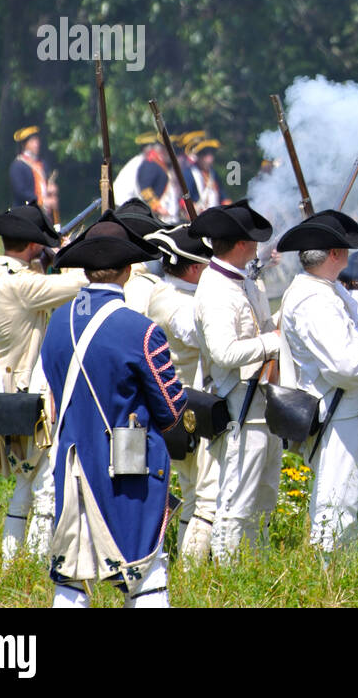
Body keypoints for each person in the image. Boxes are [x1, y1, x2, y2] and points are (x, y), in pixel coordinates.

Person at [38, 217, 187, 607]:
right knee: (146, 575)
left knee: (71, 577)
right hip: (126, 469)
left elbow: (58, 398)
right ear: (129, 269)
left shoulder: (56, 323)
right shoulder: (141, 330)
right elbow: (171, 411)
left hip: (70, 464)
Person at [276, 210, 358, 551]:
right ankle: (330, 584)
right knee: (338, 503)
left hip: (352, 410)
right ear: (335, 254)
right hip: (337, 411)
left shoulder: (326, 289)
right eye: (344, 248)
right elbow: (345, 364)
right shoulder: (313, 299)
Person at [0, 204, 88, 562]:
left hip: (11, 394)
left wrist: (46, 253)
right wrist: (68, 253)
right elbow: (83, 283)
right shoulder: (22, 282)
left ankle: (12, 562)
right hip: (30, 399)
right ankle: (38, 562)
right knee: (47, 488)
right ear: (30, 245)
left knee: (26, 483)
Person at [189, 199, 281, 562]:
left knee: (264, 496)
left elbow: (265, 328)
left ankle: (255, 567)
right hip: (237, 405)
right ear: (241, 244)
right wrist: (273, 342)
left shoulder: (247, 284)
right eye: (253, 240)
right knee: (236, 500)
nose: (257, 245)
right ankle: (229, 575)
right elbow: (225, 352)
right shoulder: (215, 291)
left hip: (262, 403)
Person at [143, 223, 216, 560]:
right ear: (195, 267)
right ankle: (195, 572)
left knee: (193, 493)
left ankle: (188, 572)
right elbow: (200, 335)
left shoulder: (173, 292)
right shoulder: (172, 299)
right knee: (208, 497)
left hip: (187, 407)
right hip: (190, 410)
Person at [9, 126, 58, 219]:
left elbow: (46, 182)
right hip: (25, 214)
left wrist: (51, 188)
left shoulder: (41, 163)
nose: (36, 144)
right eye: (32, 141)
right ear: (24, 145)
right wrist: (42, 201)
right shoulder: (18, 166)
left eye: (37, 141)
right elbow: (21, 192)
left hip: (44, 212)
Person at [137, 142, 181, 224]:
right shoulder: (150, 164)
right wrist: (158, 207)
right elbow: (145, 189)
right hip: (157, 216)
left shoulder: (162, 165)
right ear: (162, 150)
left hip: (167, 216)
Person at [113, 133, 159, 206]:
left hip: (124, 203)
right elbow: (141, 189)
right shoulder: (140, 163)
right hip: (123, 203)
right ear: (146, 149)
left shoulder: (140, 160)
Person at [187, 139, 230, 213]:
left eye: (211, 155)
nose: (210, 159)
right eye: (206, 155)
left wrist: (229, 209)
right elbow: (184, 199)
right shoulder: (189, 174)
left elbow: (223, 197)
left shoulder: (214, 174)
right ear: (199, 157)